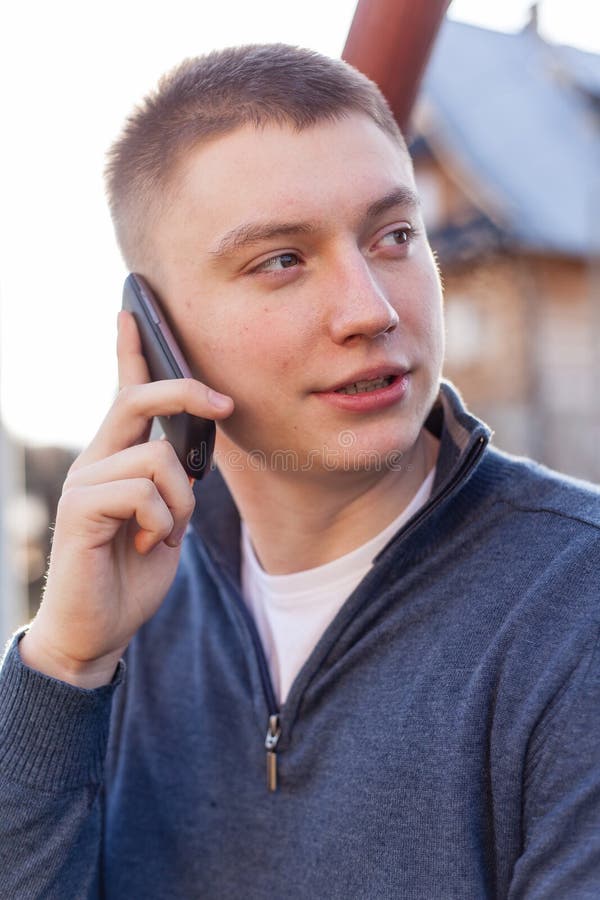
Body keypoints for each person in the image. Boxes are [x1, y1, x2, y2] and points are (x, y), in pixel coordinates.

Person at [1, 43, 599, 899]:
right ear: (158, 330)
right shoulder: (128, 601)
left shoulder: (577, 609)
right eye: (281, 260)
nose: (373, 309)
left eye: (393, 235)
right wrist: (64, 666)